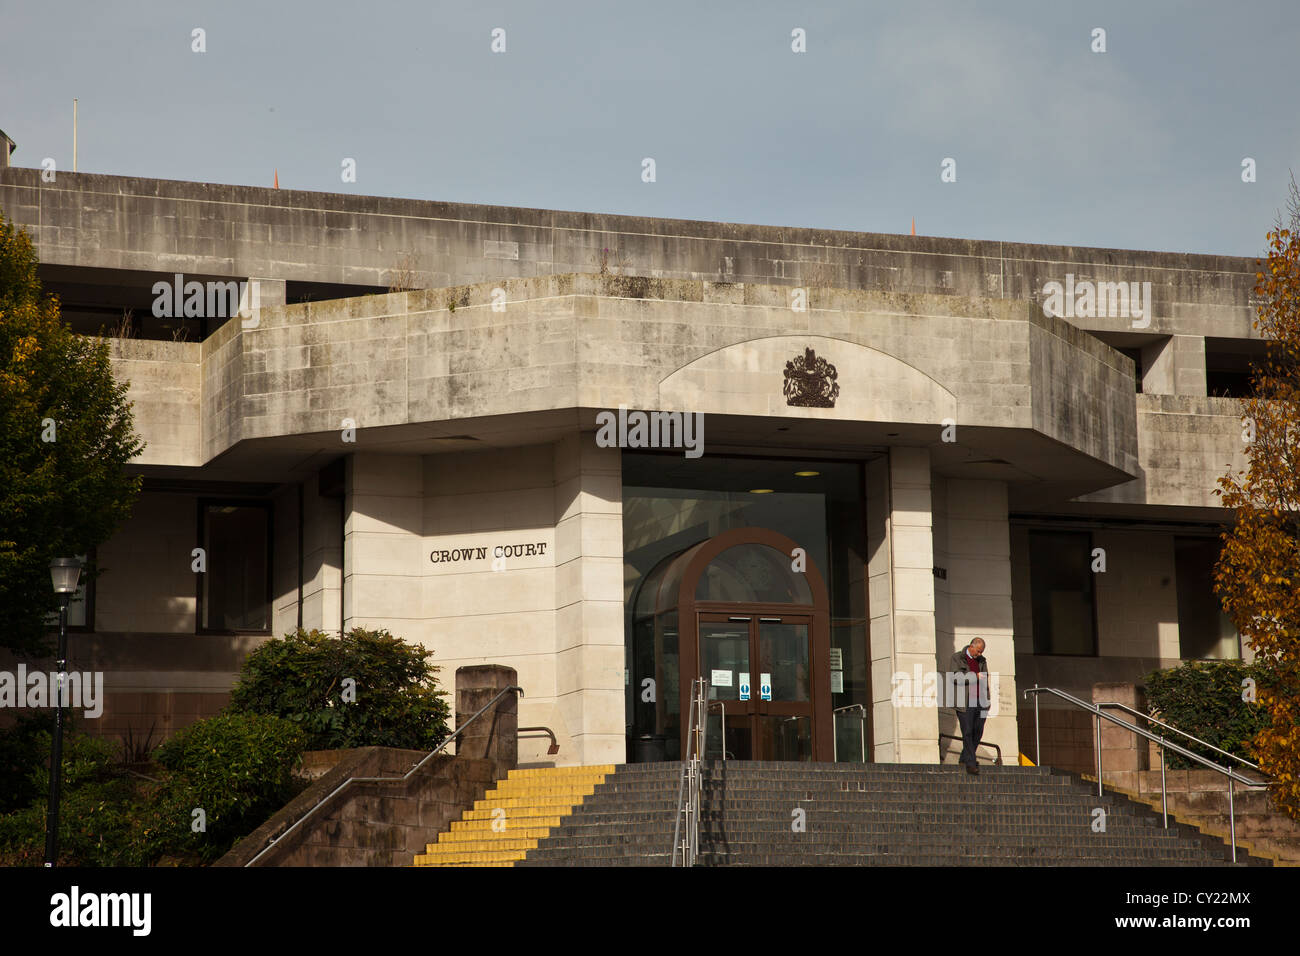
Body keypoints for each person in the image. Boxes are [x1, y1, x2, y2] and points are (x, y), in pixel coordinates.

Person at [949, 638, 989, 775]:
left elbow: (985, 680)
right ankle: (971, 764)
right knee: (967, 731)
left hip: (980, 701)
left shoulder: (982, 661)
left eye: (981, 652)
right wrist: (974, 676)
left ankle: (963, 758)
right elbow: (954, 677)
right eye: (978, 651)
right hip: (965, 702)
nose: (979, 654)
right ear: (971, 647)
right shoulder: (957, 658)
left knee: (978, 731)